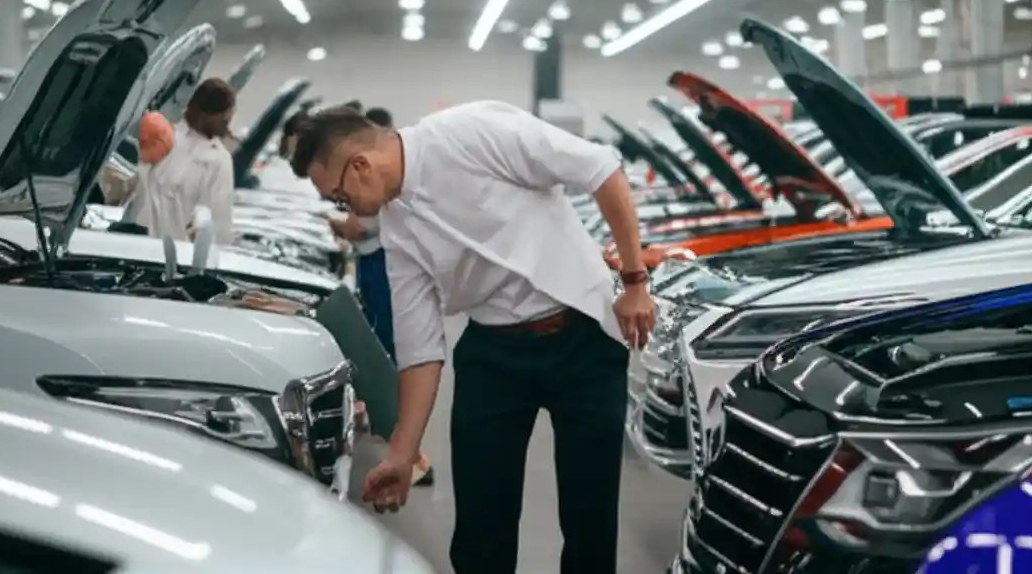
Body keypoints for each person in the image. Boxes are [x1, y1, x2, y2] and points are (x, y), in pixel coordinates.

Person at [290, 102, 655, 574]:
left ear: (359, 167)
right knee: (481, 534)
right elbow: (420, 348)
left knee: (590, 521)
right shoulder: (398, 230)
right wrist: (402, 454)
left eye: (338, 198)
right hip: (493, 352)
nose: (345, 210)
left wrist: (634, 282)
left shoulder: (472, 131)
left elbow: (600, 169)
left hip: (582, 335)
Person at [327, 106, 434, 486]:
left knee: (388, 340)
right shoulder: (386, 172)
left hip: (378, 261)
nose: (346, 202)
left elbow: (357, 228)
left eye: (341, 195)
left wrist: (335, 224)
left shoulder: (383, 186)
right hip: (377, 261)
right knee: (392, 337)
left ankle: (398, 430)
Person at [135, 78, 237, 245]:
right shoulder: (165, 138)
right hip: (138, 242)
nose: (226, 126)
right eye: (223, 120)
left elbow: (220, 222)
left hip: (178, 255)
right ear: (204, 114)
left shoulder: (219, 160)